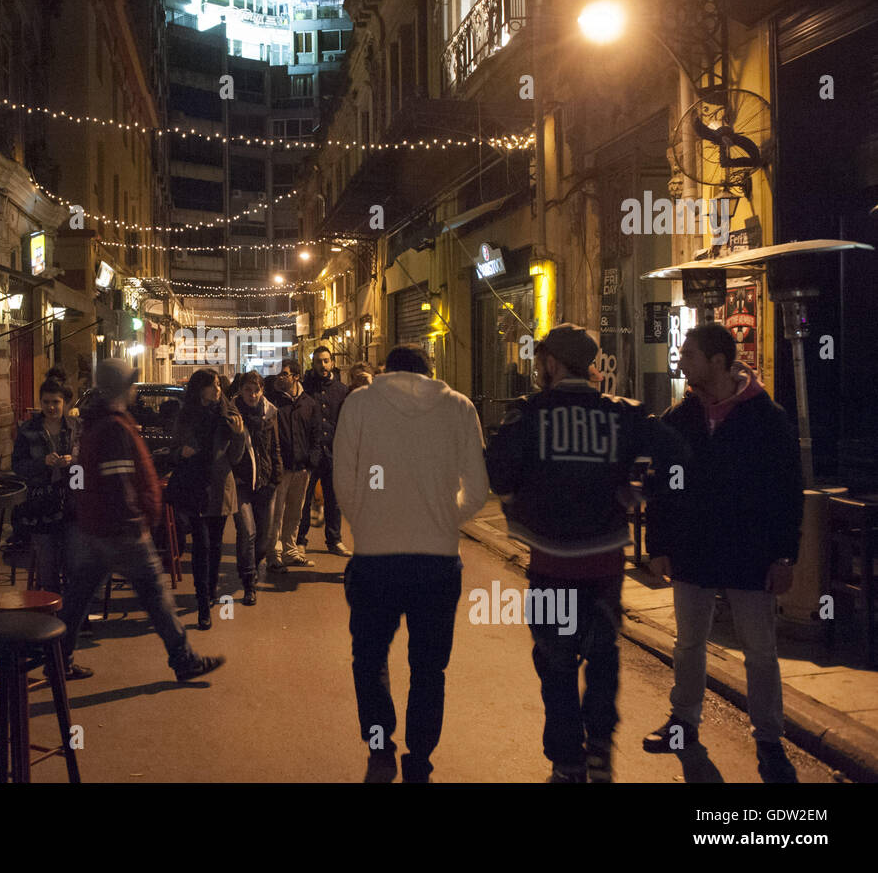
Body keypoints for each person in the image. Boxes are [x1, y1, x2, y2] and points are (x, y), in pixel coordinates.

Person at [486, 324, 687, 783]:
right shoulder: (624, 414)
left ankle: (566, 761)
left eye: (542, 361)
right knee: (602, 657)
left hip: (550, 564)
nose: (538, 368)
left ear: (553, 363)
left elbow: (498, 472)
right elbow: (675, 453)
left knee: (555, 664)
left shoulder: (530, 415)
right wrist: (641, 490)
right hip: (605, 565)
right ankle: (599, 749)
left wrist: (520, 505)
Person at [642, 322, 804, 783]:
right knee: (689, 642)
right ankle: (684, 722)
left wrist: (784, 556)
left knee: (759, 650)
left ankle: (769, 740)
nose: (681, 362)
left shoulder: (766, 418)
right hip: (693, 550)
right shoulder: (680, 418)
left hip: (750, 554)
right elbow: (661, 487)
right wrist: (659, 546)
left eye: (688, 355)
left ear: (717, 361)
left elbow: (787, 491)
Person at [334, 344, 488, 783]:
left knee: (369, 655)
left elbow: (344, 479)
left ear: (386, 370)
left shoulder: (359, 404)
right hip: (437, 561)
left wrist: (366, 523)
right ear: (430, 371)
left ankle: (380, 742)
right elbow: (477, 489)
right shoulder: (459, 407)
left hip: (375, 559)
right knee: (428, 666)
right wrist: (442, 517)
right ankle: (419, 756)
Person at [57, 358, 224, 681]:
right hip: (122, 530)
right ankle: (184, 658)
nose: (135, 389)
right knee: (156, 596)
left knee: (78, 597)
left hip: (98, 527)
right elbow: (119, 482)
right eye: (131, 383)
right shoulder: (113, 428)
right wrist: (137, 520)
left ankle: (58, 657)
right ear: (121, 388)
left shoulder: (103, 423)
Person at [172, 368, 247, 629]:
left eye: (218, 385)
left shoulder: (230, 416)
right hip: (195, 485)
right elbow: (175, 448)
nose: (217, 389)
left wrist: (238, 435)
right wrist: (182, 451)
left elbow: (236, 458)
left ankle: (212, 589)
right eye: (211, 385)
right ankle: (203, 603)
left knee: (214, 545)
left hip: (219, 487)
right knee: (201, 545)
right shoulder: (186, 416)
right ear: (199, 388)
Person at [11, 377, 83, 596]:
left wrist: (74, 461)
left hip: (71, 503)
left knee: (74, 564)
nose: (51, 407)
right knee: (48, 567)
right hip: (40, 505)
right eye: (46, 402)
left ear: (65, 403)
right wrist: (42, 462)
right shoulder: (28, 430)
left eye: (56, 402)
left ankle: (75, 617)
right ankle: (51, 618)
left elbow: (88, 461)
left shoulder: (75, 428)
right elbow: (17, 465)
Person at [266, 359, 323, 572]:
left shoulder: (309, 403)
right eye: (280, 373)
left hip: (302, 468)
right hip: (281, 468)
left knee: (295, 512)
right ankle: (274, 554)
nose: (281, 377)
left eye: (285, 374)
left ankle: (290, 551)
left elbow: (316, 434)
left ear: (296, 376)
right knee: (277, 513)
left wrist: (312, 460)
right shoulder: (274, 402)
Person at [231, 371, 282, 606]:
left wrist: (275, 477)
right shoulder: (231, 415)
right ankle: (249, 583)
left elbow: (275, 448)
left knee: (264, 539)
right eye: (247, 390)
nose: (252, 395)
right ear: (240, 391)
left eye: (256, 390)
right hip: (240, 483)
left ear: (262, 391)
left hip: (265, 481)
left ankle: (250, 564)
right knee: (247, 532)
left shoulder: (270, 414)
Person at [299, 346, 351, 557]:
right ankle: (300, 541)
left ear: (332, 362)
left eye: (326, 361)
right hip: (310, 454)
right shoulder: (304, 388)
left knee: (333, 500)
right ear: (313, 363)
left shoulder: (341, 390)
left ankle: (334, 540)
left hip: (333, 453)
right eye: (319, 361)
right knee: (304, 500)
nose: (323, 365)